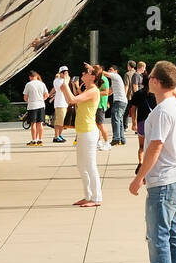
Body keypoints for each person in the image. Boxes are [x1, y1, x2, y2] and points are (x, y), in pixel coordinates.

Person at [128, 61, 176, 263]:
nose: (146, 79)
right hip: (174, 177)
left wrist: (139, 176)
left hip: (163, 180)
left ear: (155, 81)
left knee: (158, 237)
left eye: (150, 76)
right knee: (172, 233)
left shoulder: (163, 110)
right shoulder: (174, 105)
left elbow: (155, 146)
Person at [68, 65, 103, 207]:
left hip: (89, 132)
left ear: (93, 77)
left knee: (90, 165)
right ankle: (88, 195)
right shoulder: (87, 89)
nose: (83, 73)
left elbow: (72, 100)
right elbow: (71, 99)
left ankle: (97, 198)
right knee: (81, 166)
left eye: (87, 72)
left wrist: (64, 84)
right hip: (82, 132)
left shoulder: (93, 91)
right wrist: (64, 85)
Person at [23, 69, 48, 146]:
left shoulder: (28, 84)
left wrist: (28, 101)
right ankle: (40, 140)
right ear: (36, 76)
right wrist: (42, 99)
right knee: (40, 123)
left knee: (33, 123)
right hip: (41, 105)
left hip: (32, 105)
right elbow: (46, 95)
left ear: (30, 77)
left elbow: (25, 97)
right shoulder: (42, 84)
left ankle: (34, 140)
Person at [105, 64, 128, 146]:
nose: (109, 71)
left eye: (111, 69)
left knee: (115, 119)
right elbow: (109, 92)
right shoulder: (114, 81)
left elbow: (106, 74)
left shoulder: (116, 76)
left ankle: (116, 138)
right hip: (122, 101)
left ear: (116, 71)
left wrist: (95, 70)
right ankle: (121, 139)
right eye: (109, 69)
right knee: (119, 120)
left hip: (119, 101)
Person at [50, 67, 71, 144]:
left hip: (64, 103)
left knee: (63, 121)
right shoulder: (57, 81)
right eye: (65, 72)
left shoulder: (63, 80)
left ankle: (60, 135)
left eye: (67, 72)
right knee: (59, 121)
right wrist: (67, 80)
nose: (67, 74)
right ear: (61, 73)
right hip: (60, 103)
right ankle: (56, 136)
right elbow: (62, 88)